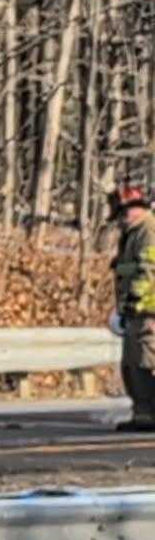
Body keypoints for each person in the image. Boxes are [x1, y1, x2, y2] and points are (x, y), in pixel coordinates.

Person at [110, 185, 155, 431]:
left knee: (143, 363)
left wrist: (134, 301)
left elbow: (148, 269)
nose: (118, 220)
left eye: (121, 214)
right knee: (131, 363)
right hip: (136, 311)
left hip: (147, 311)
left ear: (134, 210)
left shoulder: (148, 230)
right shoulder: (134, 233)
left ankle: (148, 414)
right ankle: (142, 412)